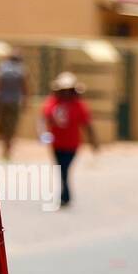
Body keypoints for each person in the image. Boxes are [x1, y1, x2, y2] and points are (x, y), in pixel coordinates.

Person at [40, 72, 99, 208]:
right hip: (57, 143)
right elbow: (44, 119)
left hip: (72, 145)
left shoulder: (79, 105)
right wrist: (43, 134)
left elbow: (87, 125)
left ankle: (65, 195)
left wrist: (94, 142)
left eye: (68, 90)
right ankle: (65, 195)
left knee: (65, 169)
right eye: (63, 90)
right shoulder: (52, 103)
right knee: (61, 169)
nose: (66, 93)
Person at [0, 49, 28, 160]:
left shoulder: (2, 67)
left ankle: (5, 146)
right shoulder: (22, 69)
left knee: (2, 125)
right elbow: (25, 88)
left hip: (2, 101)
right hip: (14, 102)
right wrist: (25, 102)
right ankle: (8, 148)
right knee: (11, 125)